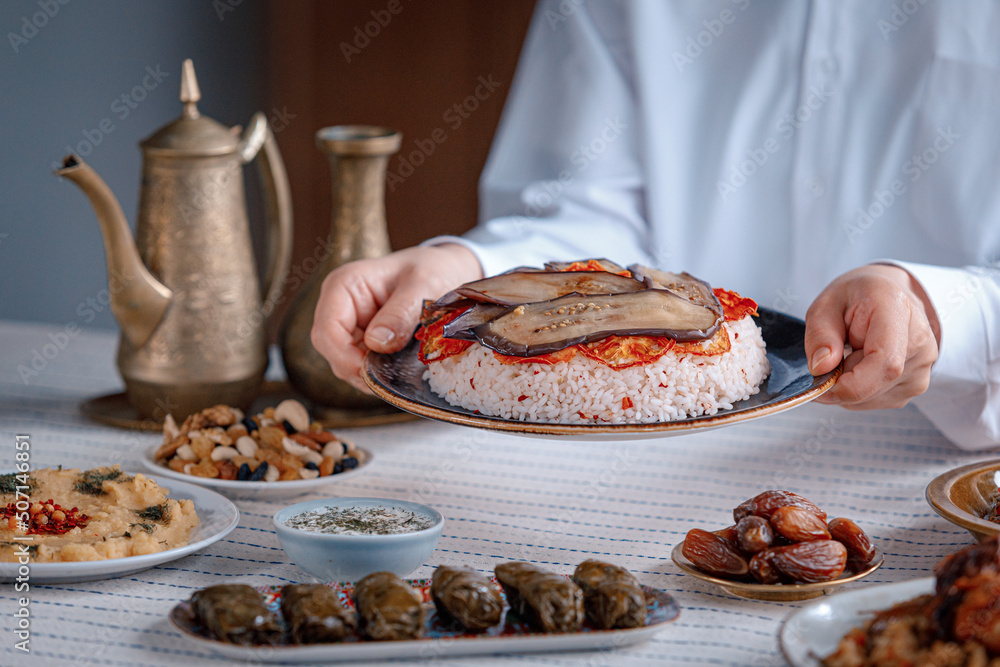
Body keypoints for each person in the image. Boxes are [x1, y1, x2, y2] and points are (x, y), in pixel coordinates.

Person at [312, 1, 1000, 450]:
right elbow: (588, 205)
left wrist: (941, 312)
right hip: (613, 457)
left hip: (940, 476)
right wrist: (466, 274)